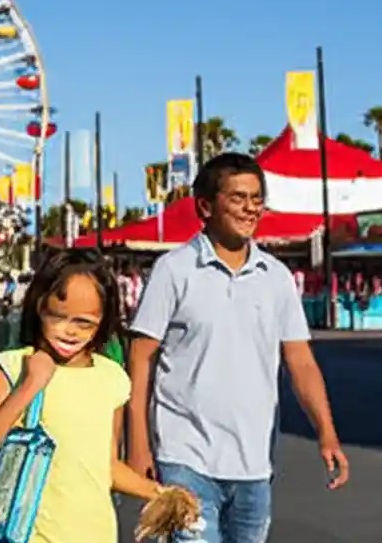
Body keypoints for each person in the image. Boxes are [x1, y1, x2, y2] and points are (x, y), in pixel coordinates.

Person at [127, 153, 348, 543]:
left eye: (257, 198)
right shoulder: (174, 270)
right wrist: (138, 446)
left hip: (254, 463)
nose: (250, 208)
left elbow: (301, 362)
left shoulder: (276, 278)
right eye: (238, 198)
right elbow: (140, 358)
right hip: (185, 457)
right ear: (206, 206)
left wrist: (326, 432)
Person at [0, 249, 189, 542]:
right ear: (39, 307)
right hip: (26, 534)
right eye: (58, 317)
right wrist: (28, 387)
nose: (70, 331)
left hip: (96, 532)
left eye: (85, 323)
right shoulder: (14, 367)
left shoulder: (112, 378)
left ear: (103, 320)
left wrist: (160, 493)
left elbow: (106, 465)